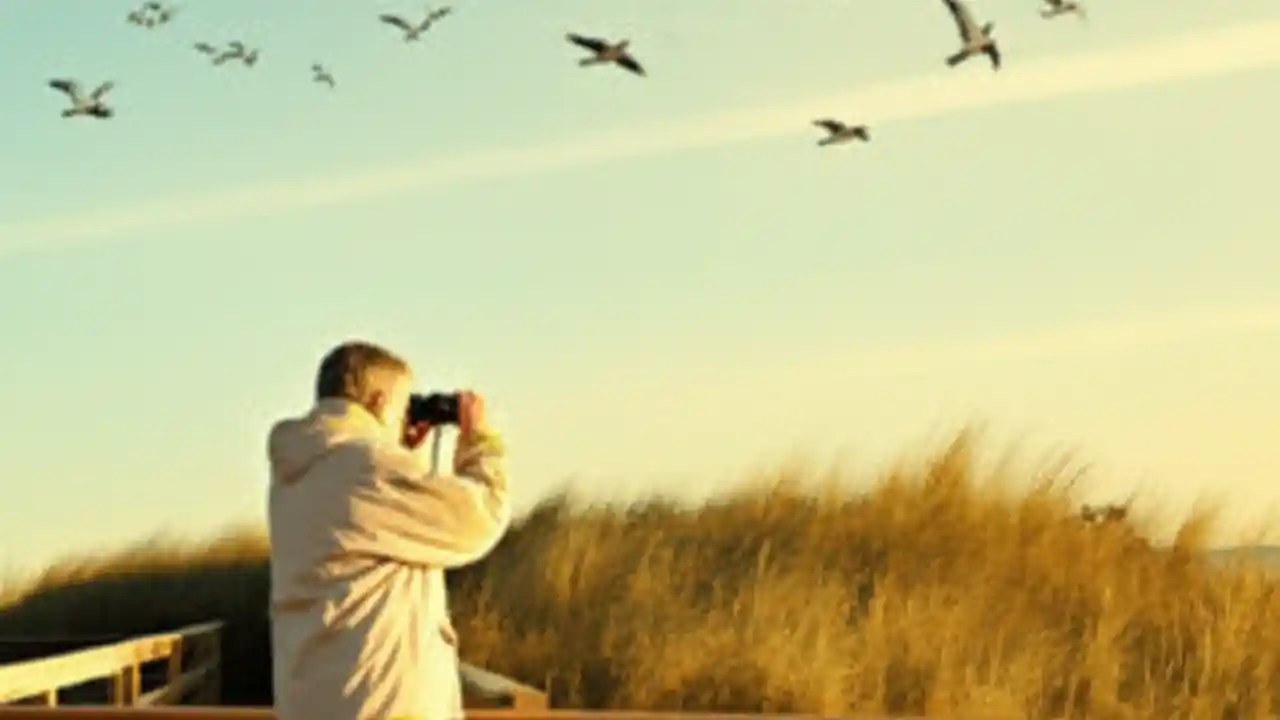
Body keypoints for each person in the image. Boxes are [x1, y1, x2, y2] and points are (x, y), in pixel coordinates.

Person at [266, 340, 512, 720]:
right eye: (403, 406)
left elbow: (380, 529)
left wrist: (402, 452)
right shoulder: (366, 466)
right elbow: (482, 516)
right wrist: (479, 440)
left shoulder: (297, 471)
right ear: (380, 401)